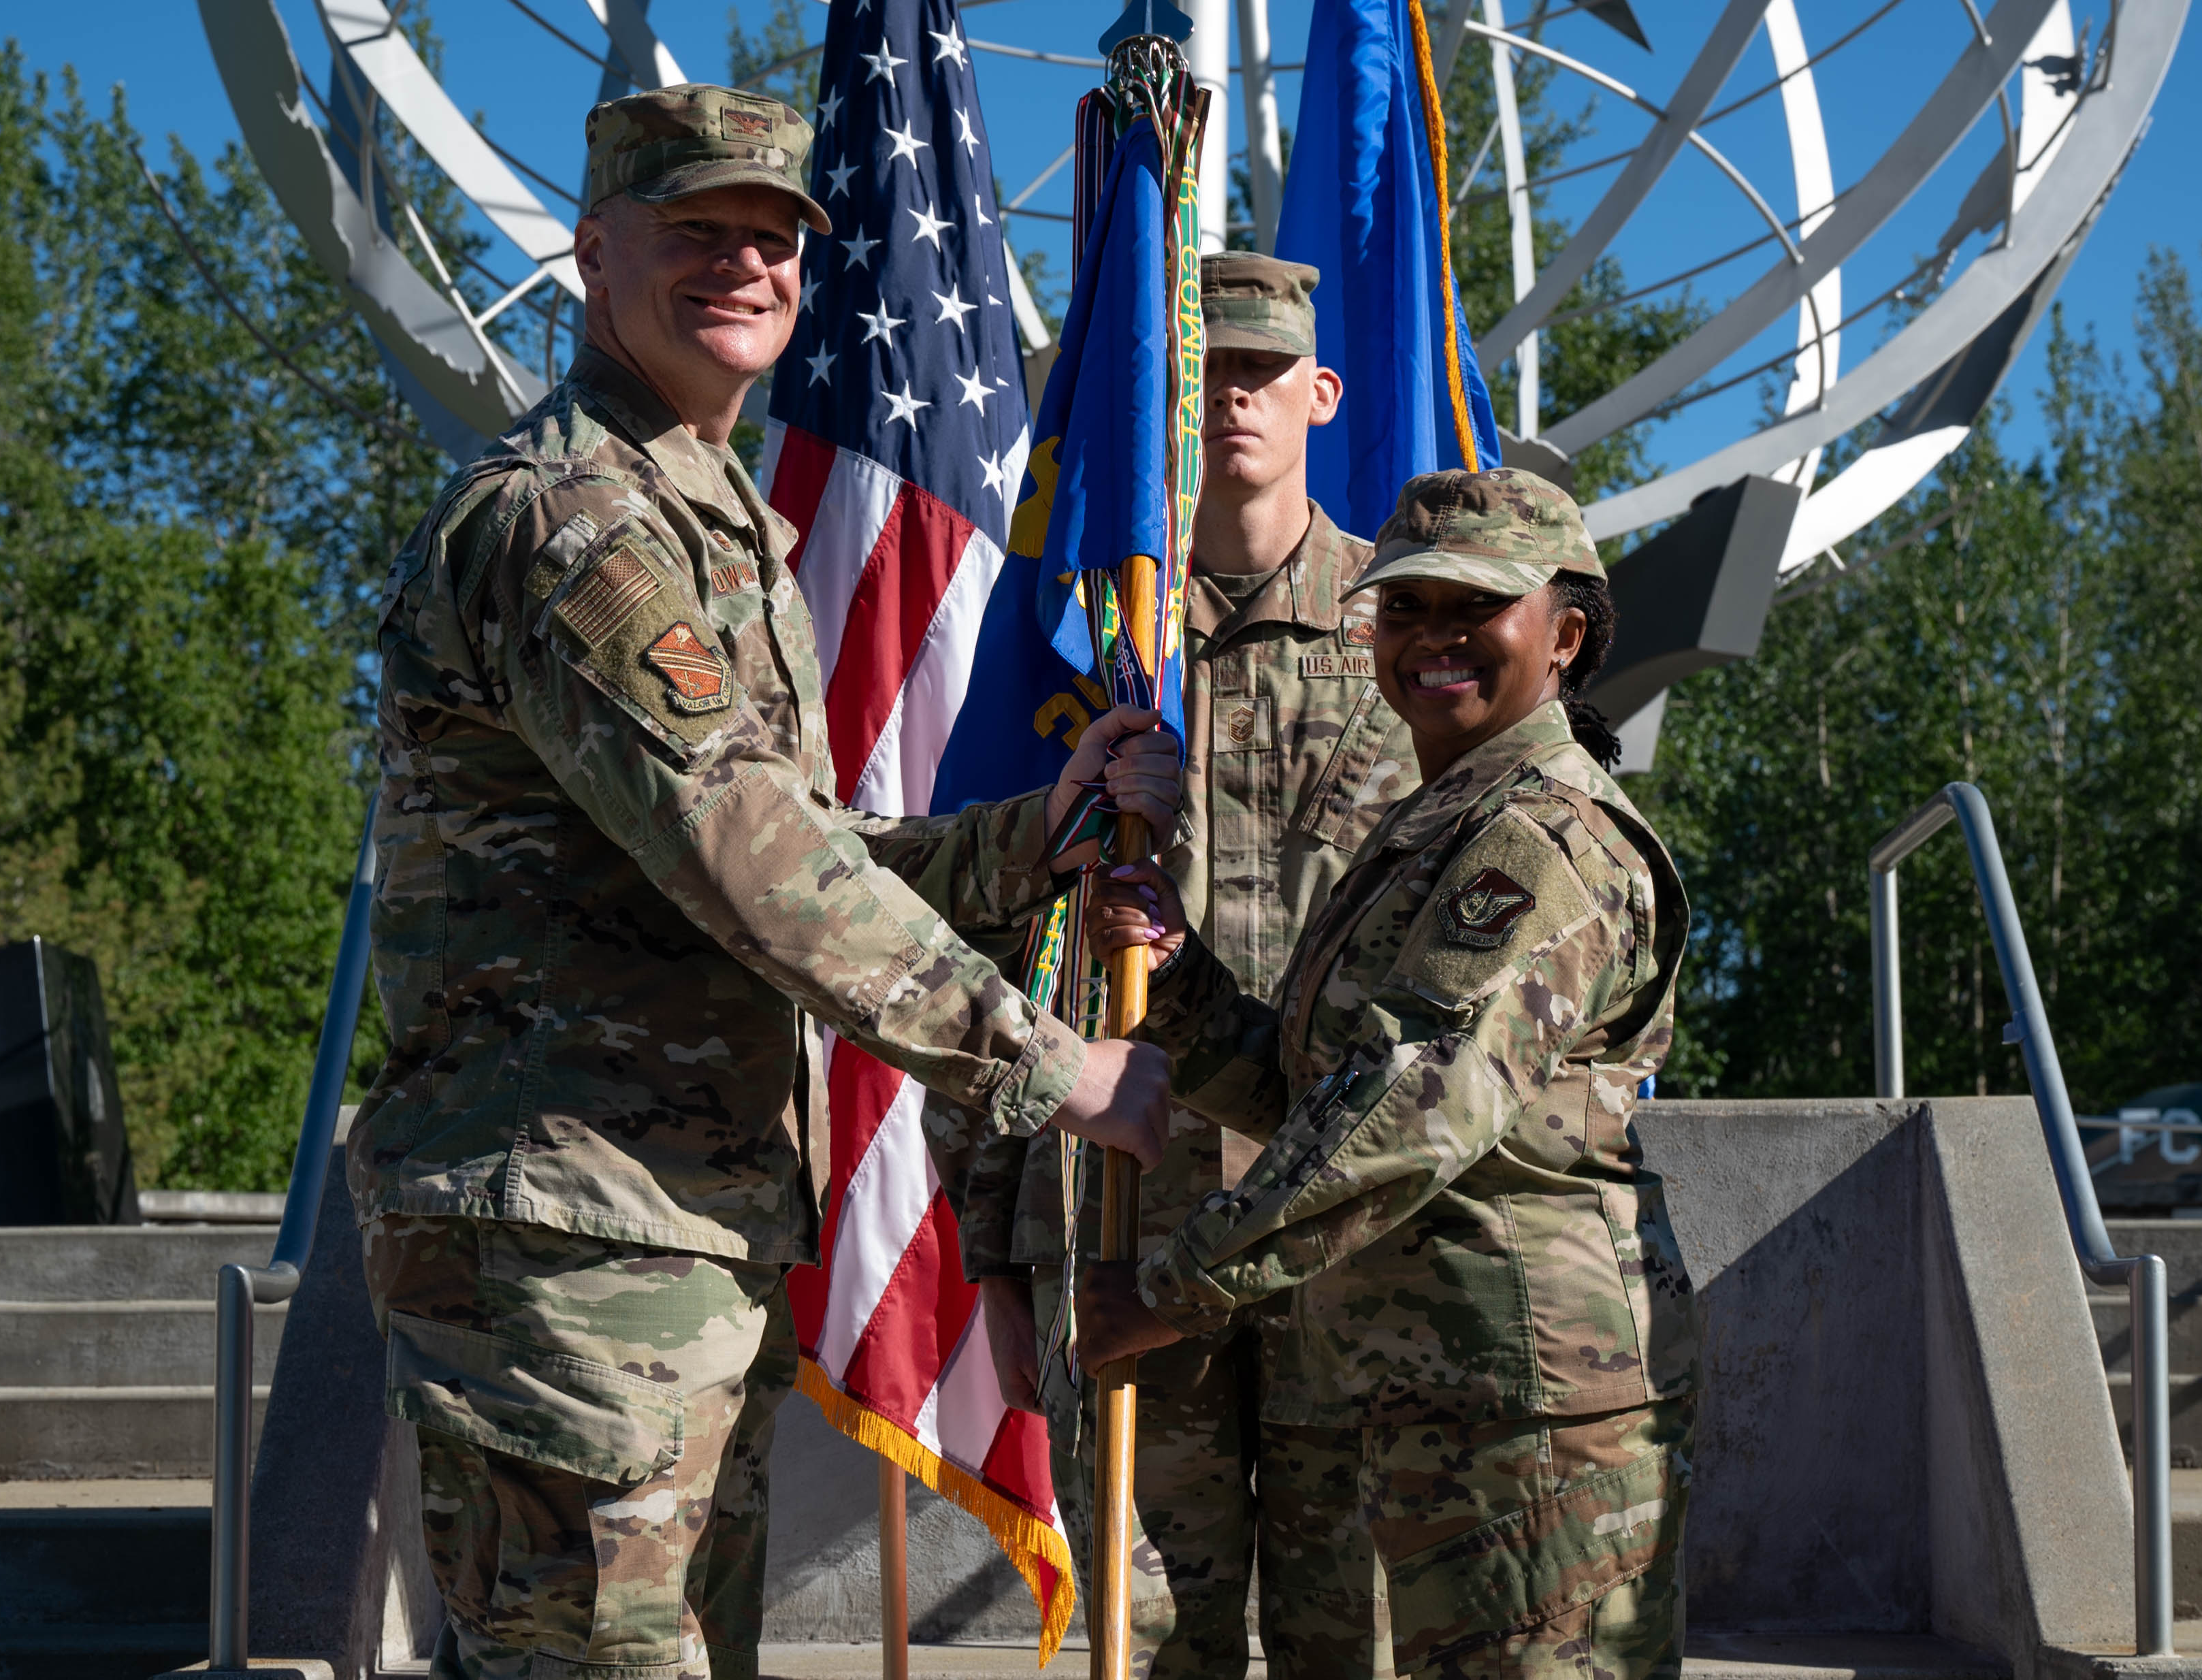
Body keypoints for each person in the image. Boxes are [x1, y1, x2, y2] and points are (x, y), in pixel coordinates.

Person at [349, 84, 1180, 1680]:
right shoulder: (569, 523)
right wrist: (1054, 1068)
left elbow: (791, 845)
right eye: (693, 232)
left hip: (672, 1233)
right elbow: (749, 860)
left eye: (771, 239)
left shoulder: (710, 517)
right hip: (570, 1243)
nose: (744, 266)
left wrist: (1034, 837)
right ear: (593, 254)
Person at [1076, 468, 1701, 1680]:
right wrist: (1181, 978)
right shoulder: (1440, 822)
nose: (1431, 640)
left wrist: (1178, 1287)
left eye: (1474, 608)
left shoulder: (1540, 838)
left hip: (1529, 1416)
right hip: (1442, 1393)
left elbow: (1409, 1109)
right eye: (1403, 609)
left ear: (1564, 634)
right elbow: (1322, 1087)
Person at [963, 251, 1417, 1679]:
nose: (1228, 399)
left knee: (1353, 1629)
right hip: (1122, 1210)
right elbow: (988, 924)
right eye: (1200, 372)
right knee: (1155, 1636)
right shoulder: (1083, 636)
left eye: (1258, 372)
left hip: (1333, 1218)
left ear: (1319, 394)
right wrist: (986, 1228)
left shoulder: (1414, 638)